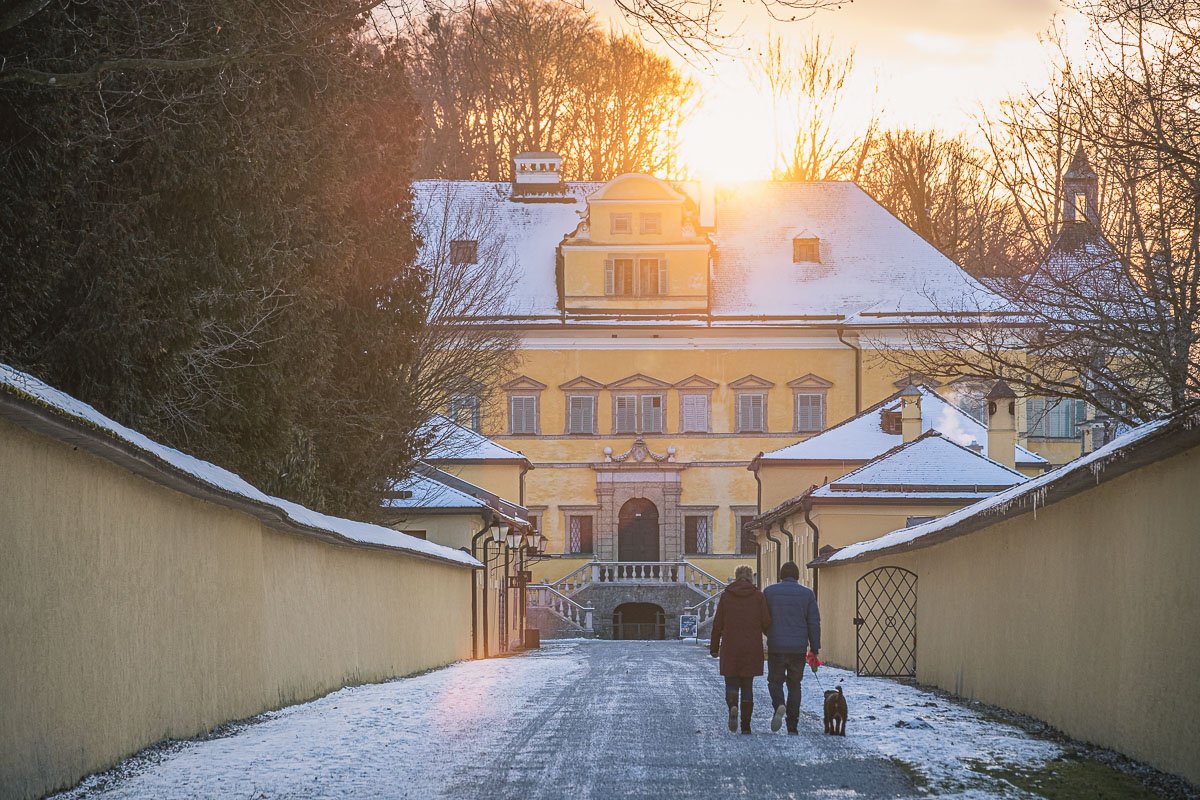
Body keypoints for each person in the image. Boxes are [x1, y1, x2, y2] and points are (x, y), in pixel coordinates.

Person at [709, 565, 771, 734]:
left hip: (730, 647)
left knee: (731, 683)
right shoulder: (758, 596)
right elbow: (766, 622)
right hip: (751, 648)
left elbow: (718, 624)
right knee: (747, 686)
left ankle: (733, 707)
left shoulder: (727, 596)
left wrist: (714, 647)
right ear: (751, 577)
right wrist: (773, 639)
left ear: (736, 577)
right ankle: (746, 725)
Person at [763, 561, 821, 735]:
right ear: (797, 576)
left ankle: (779, 704)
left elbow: (764, 619)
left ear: (780, 575)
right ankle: (793, 724)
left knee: (775, 681)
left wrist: (770, 633)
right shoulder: (807, 594)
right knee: (795, 685)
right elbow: (813, 622)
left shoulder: (769, 592)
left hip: (776, 646)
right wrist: (815, 647)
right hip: (798, 648)